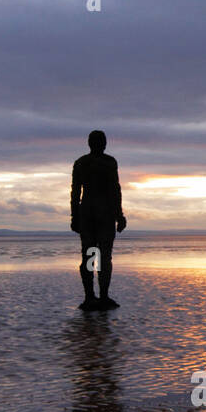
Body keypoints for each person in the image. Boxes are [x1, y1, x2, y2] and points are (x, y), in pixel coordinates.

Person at [70, 129, 127, 310]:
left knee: (92, 255)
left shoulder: (83, 163)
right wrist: (119, 215)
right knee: (99, 256)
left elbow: (75, 193)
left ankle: (95, 296)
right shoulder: (106, 163)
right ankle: (96, 296)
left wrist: (75, 215)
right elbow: (114, 191)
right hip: (99, 215)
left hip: (91, 214)